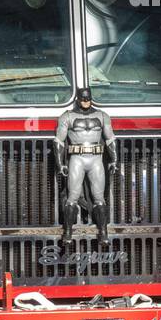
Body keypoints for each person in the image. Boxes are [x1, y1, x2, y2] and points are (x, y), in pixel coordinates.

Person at [54, 87, 117, 243]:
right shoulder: (67, 116)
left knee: (99, 197)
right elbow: (59, 141)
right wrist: (60, 163)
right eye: (83, 99)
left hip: (96, 158)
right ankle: (68, 232)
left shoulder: (102, 116)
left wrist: (114, 159)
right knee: (72, 196)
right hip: (77, 157)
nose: (85, 101)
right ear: (77, 99)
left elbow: (110, 139)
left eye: (88, 99)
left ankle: (103, 232)